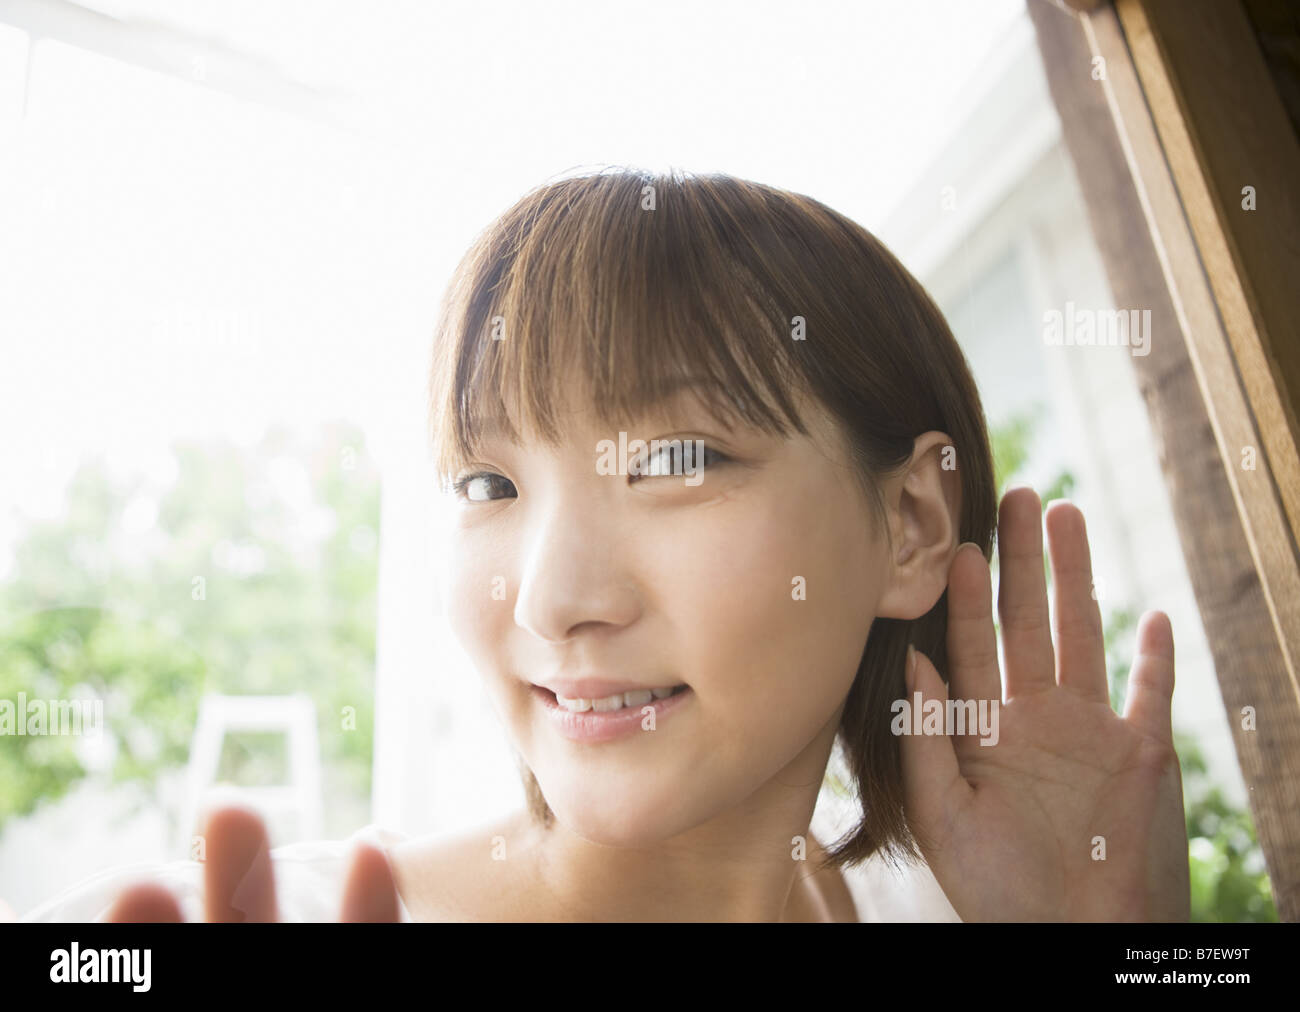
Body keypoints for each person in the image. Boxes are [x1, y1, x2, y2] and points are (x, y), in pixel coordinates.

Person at [19, 168, 1191, 922]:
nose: (551, 599)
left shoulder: (953, 910)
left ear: (910, 526)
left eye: (675, 460)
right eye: (488, 481)